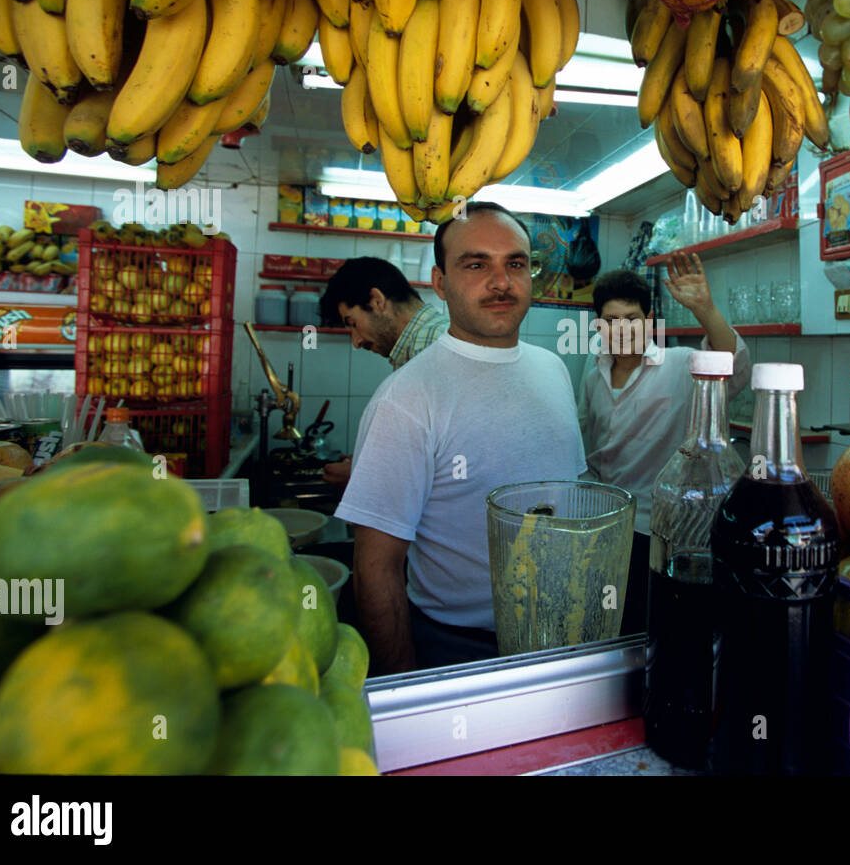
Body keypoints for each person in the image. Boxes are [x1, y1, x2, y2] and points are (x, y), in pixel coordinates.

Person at [335, 203, 586, 675]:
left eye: (515, 263)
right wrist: (406, 685)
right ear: (439, 283)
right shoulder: (407, 397)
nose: (501, 282)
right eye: (476, 264)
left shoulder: (553, 370)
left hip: (560, 633)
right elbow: (376, 569)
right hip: (457, 650)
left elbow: (568, 498)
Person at [578, 253, 750, 635]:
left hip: (661, 531)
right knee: (609, 626)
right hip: (606, 528)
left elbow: (731, 366)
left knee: (656, 627)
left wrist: (705, 308)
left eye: (632, 320)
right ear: (598, 325)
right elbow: (589, 443)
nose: (621, 330)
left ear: (649, 322)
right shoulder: (593, 371)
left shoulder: (678, 364)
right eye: (610, 321)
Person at [318, 257, 449, 485]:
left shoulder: (430, 348)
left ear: (377, 301)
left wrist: (364, 473)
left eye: (352, 323)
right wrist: (367, 461)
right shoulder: (417, 346)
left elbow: (450, 462)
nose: (356, 342)